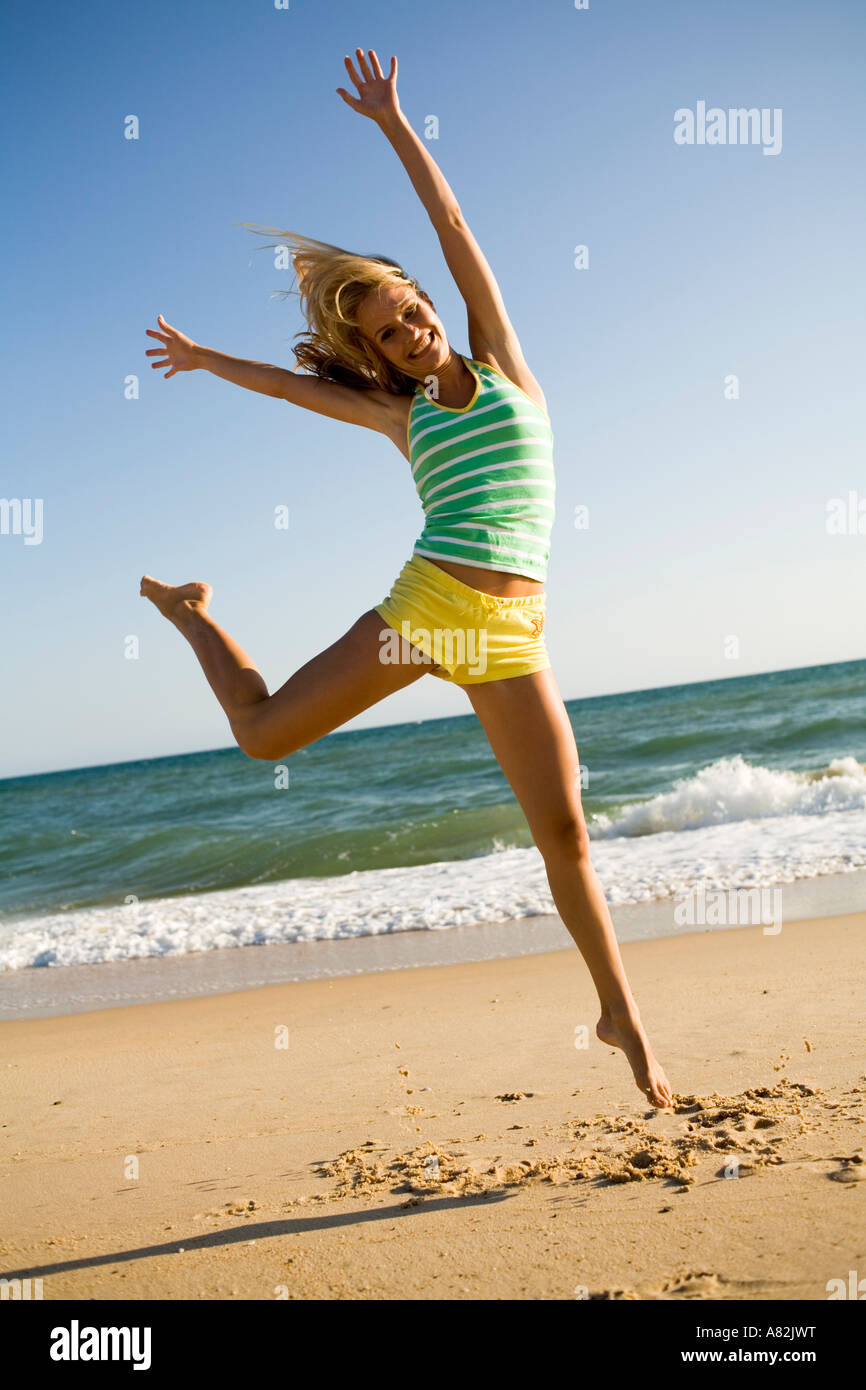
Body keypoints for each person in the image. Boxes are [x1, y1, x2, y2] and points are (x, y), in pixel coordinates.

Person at [142, 49, 672, 1109]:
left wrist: (393, 123)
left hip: (511, 636)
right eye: (387, 334)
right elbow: (289, 390)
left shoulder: (505, 364)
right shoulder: (400, 413)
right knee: (263, 736)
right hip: (427, 613)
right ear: (378, 356)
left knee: (565, 831)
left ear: (429, 303)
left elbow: (454, 224)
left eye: (411, 313)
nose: (410, 333)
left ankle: (620, 1015)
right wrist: (205, 360)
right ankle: (195, 615)